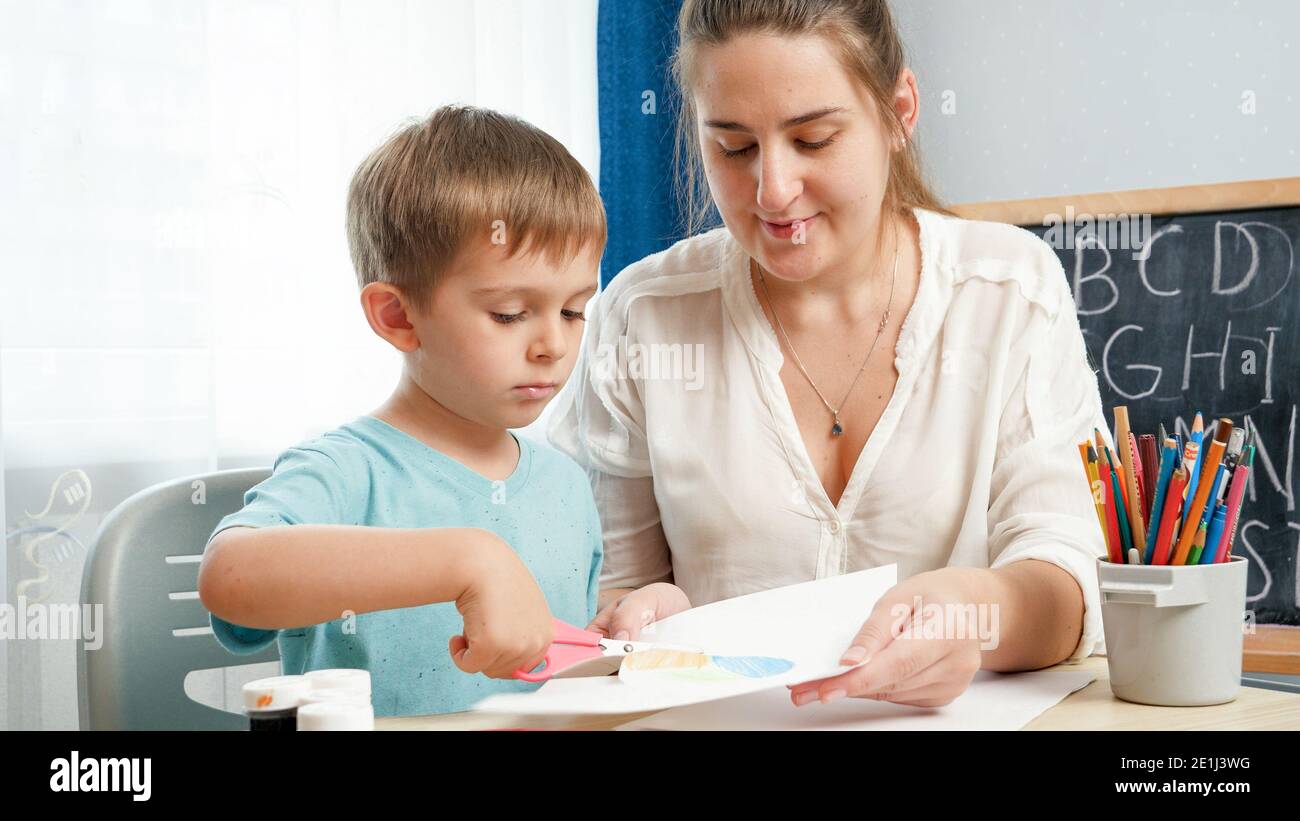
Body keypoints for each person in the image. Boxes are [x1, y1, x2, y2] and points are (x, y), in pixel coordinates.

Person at [550, 0, 1108, 708]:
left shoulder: (1008, 292)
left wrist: (974, 608)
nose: (773, 190)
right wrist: (634, 619)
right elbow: (603, 595)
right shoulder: (644, 316)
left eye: (812, 139)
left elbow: (1069, 582)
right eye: (734, 147)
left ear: (898, 111)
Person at [198, 105, 606, 716]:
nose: (553, 343)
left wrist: (637, 626)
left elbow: (566, 653)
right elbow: (230, 577)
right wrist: (466, 557)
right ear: (398, 315)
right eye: (509, 314)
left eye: (574, 311)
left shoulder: (567, 486)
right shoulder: (346, 472)